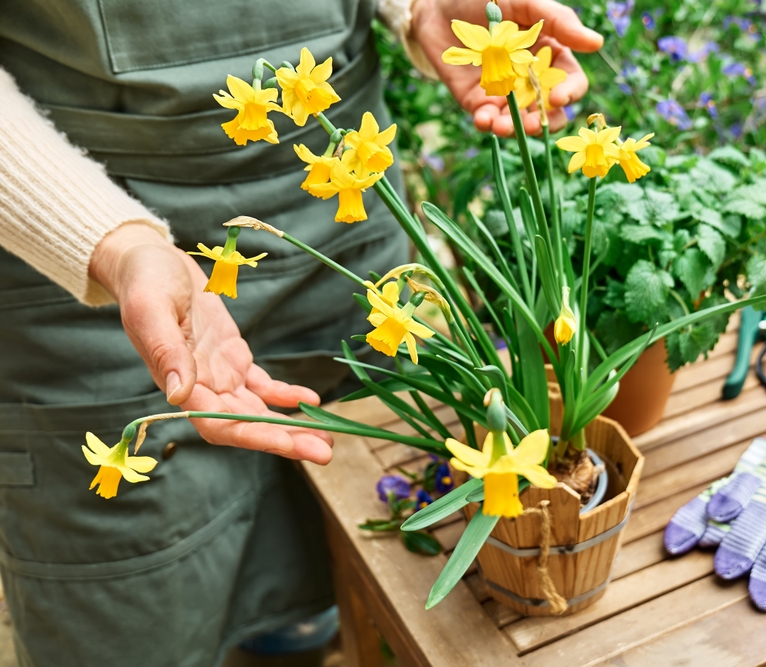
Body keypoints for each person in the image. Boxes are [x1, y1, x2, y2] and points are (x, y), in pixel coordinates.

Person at [0, 0, 602, 665]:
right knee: (128, 614)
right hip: (82, 246)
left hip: (338, 219)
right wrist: (114, 247)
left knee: (330, 549)